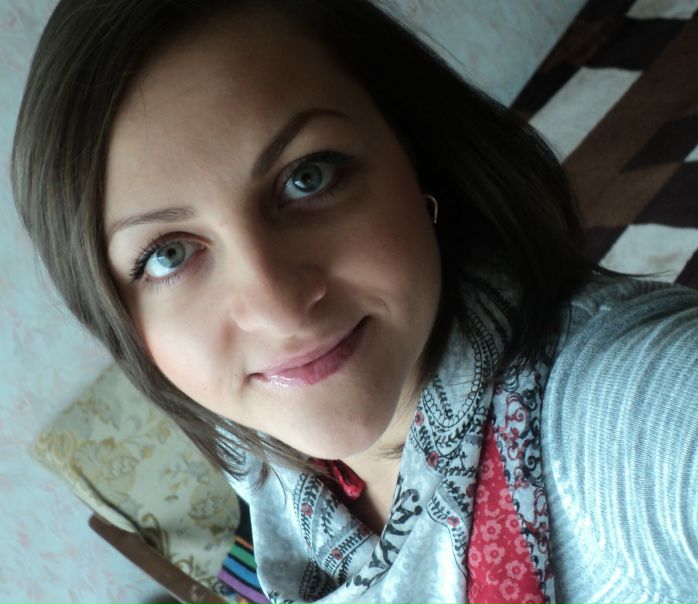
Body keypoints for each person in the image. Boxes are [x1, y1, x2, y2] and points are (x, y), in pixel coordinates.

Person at [11, 1, 698, 603]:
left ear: (413, 151)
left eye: (308, 177)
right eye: (169, 253)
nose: (280, 311)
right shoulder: (256, 450)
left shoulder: (626, 413)